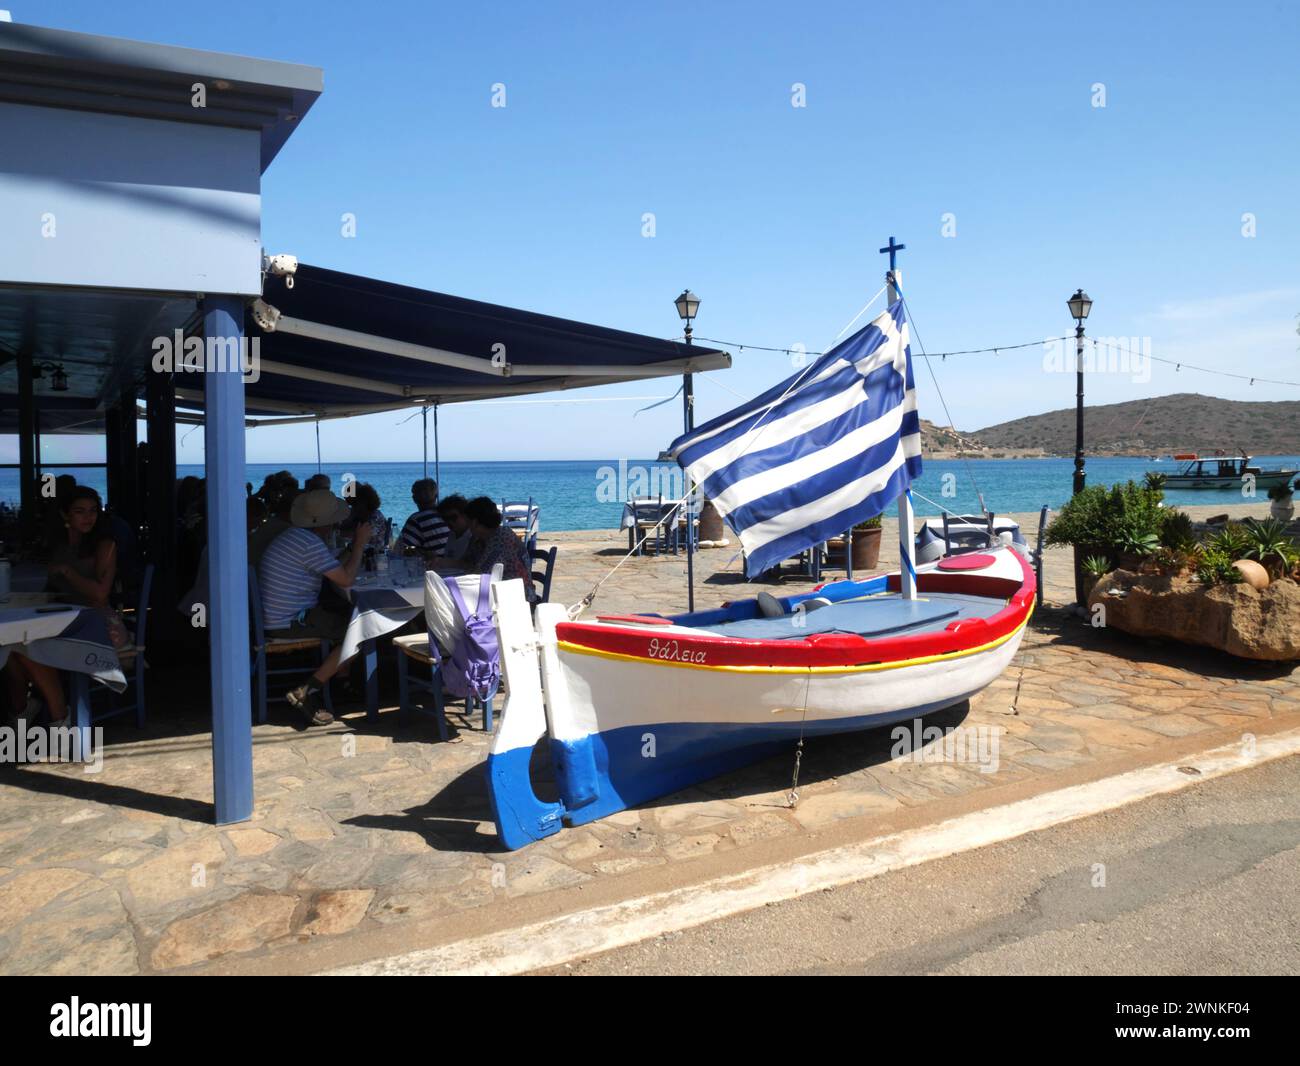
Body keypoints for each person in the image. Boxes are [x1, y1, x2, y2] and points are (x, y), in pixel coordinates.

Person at [4, 487, 123, 724]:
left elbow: (100, 595)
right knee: (10, 646)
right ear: (64, 515)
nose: (88, 517)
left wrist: (67, 572)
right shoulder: (59, 545)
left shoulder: (105, 545)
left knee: (28, 647)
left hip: (96, 622)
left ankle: (59, 716)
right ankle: (24, 706)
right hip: (60, 618)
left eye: (92, 511)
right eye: (80, 511)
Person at [258, 489, 371, 726]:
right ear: (327, 523)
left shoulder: (296, 537)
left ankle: (340, 680)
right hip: (289, 622)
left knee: (347, 615)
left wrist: (350, 550)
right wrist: (359, 545)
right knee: (361, 630)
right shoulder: (308, 544)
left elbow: (332, 568)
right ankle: (307, 691)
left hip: (278, 616)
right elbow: (346, 580)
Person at [462, 496, 530, 585]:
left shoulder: (501, 538)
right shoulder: (480, 538)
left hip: (517, 594)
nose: (467, 527)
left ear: (474, 522)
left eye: (468, 522)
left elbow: (481, 574)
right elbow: (466, 561)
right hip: (494, 589)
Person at [399, 479, 450, 554]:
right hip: (449, 562)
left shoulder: (416, 519)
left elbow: (402, 548)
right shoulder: (446, 515)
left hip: (433, 563)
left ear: (414, 499)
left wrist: (418, 551)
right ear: (436, 495)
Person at [345, 481, 387, 548]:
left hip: (373, 554)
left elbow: (359, 535)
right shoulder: (359, 513)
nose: (345, 498)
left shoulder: (375, 516)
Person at [436, 494, 472, 561]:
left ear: (465, 515)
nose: (449, 522)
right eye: (445, 518)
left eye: (453, 517)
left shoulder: (473, 536)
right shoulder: (452, 534)